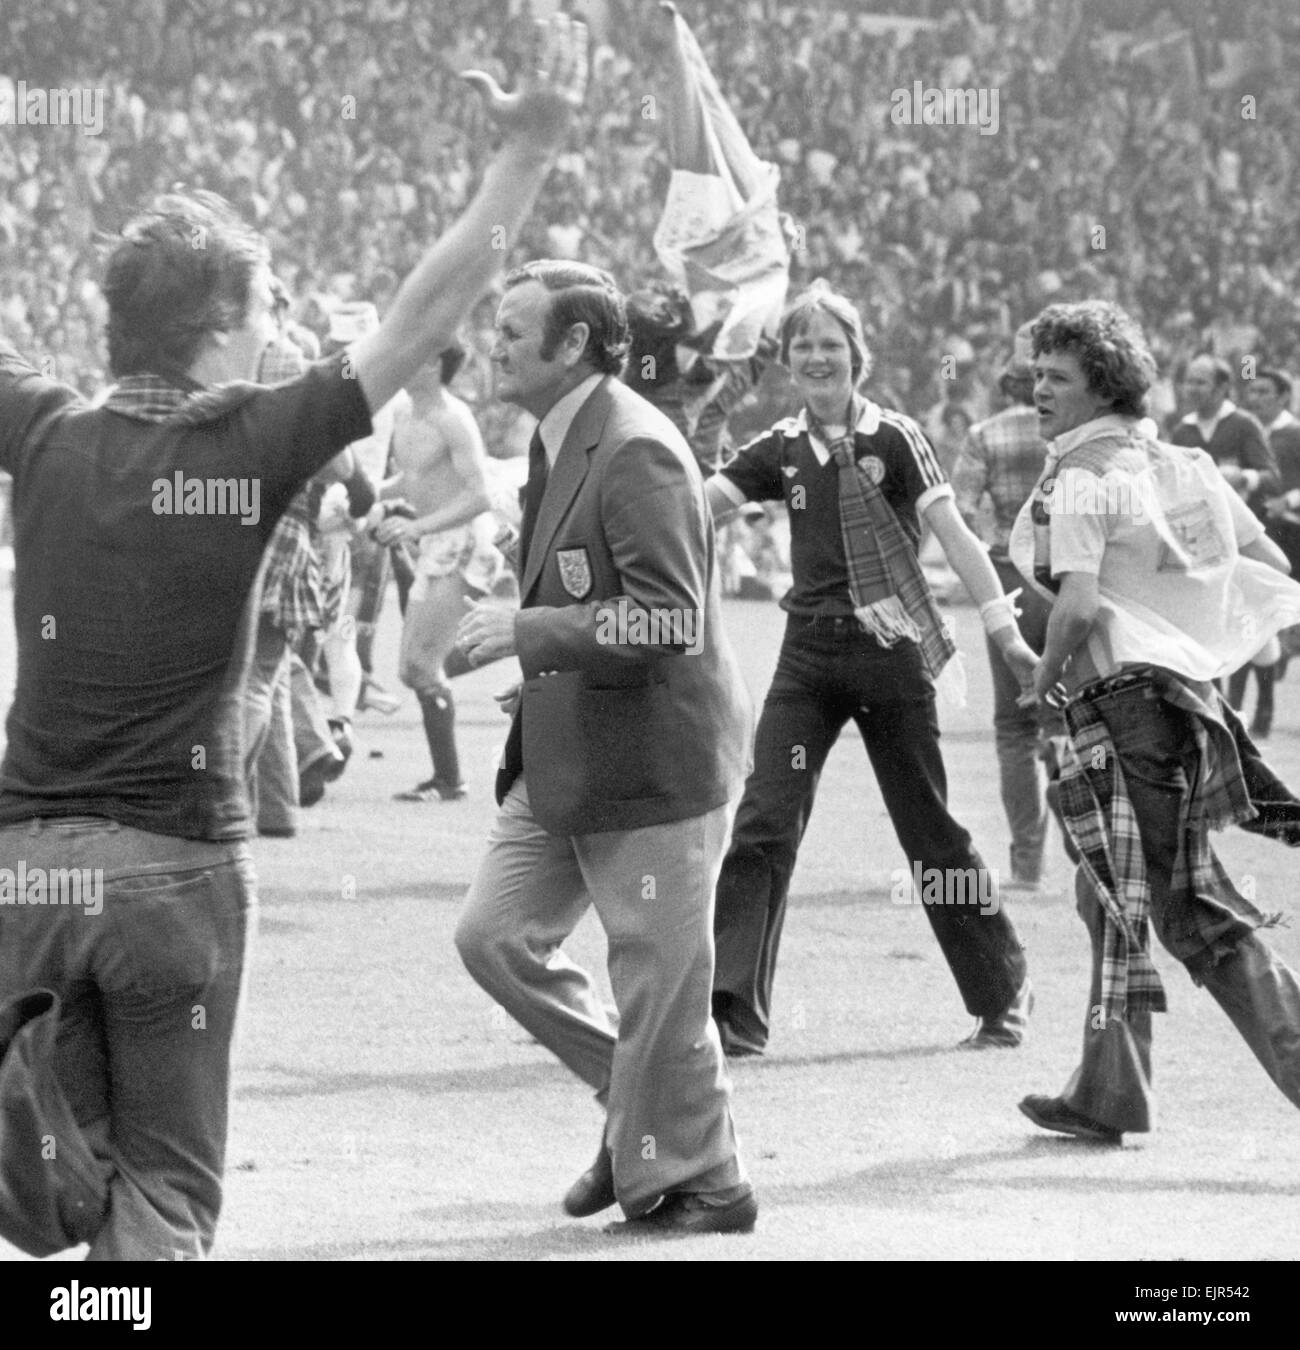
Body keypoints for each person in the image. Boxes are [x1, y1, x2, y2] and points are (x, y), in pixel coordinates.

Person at [0, 13, 588, 1260]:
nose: (278, 333)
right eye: (266, 309)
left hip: (27, 871)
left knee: (62, 1178)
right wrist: (526, 155)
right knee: (159, 1196)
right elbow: (434, 307)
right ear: (219, 321)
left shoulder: (41, 429)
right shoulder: (255, 440)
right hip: (177, 870)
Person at [453, 259, 757, 1235]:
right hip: (573, 741)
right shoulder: (564, 437)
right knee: (493, 937)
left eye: (510, 329)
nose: (493, 345)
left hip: (654, 759)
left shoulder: (633, 447)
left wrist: (527, 633)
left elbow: (666, 620)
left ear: (574, 342)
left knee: (659, 988)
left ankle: (711, 1183)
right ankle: (638, 1114)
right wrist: (544, 662)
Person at [705, 281, 1038, 1059]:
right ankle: (732, 1013)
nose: (818, 358)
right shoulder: (780, 447)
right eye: (803, 347)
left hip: (889, 653)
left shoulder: (896, 439)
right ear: (787, 362)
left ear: (858, 356)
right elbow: (699, 503)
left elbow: (954, 537)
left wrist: (1004, 629)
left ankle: (1001, 992)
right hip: (809, 657)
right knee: (763, 822)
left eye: (831, 344)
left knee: (929, 832)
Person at [1010, 300, 1300, 1145]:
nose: (1039, 390)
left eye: (1056, 377)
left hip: (1120, 709)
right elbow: (1269, 562)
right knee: (1109, 893)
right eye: (1037, 374)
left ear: (1100, 386)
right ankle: (1110, 1090)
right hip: (1181, 701)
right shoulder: (1187, 465)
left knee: (1193, 916)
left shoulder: (1078, 477)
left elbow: (1077, 607)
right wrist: (1186, 619)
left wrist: (1045, 687)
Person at [952, 346, 1057, 890]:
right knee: (1070, 721)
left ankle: (1026, 863)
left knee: (1013, 728)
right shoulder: (1069, 434)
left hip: (1007, 581)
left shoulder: (984, 436)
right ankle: (1091, 855)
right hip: (1066, 577)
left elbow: (961, 512)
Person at [377, 346, 497, 802]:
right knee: (413, 667)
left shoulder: (453, 419)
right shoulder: (405, 413)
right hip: (435, 540)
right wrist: (368, 497)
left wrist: (416, 525)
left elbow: (480, 496)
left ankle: (450, 781)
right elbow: (411, 479)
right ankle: (513, 643)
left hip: (464, 541)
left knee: (420, 666)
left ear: (432, 364)